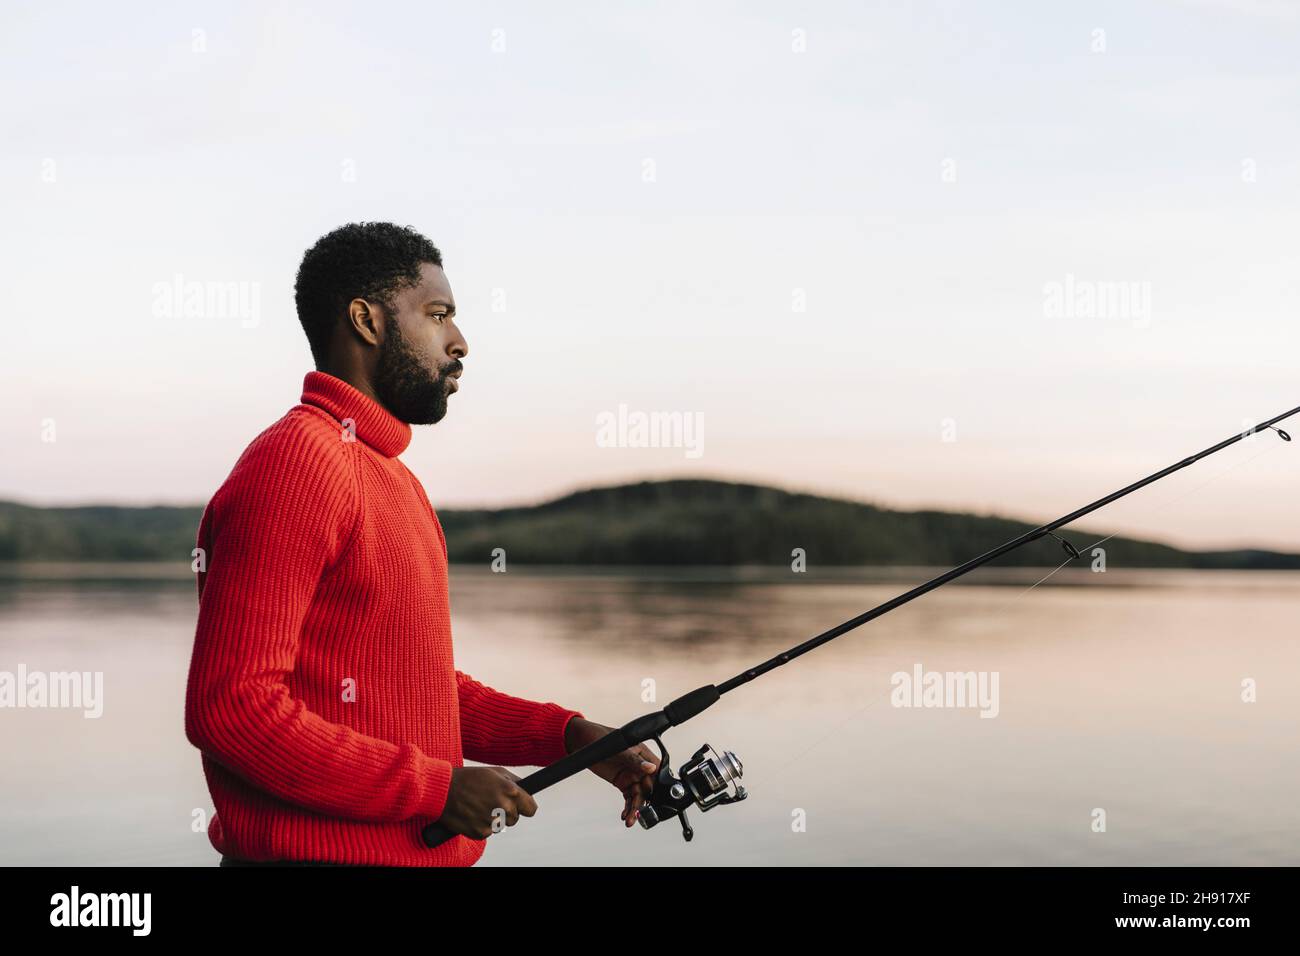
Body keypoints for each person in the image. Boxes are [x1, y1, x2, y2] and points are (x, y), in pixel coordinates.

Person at [185, 221, 659, 866]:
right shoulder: (297, 462)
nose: (460, 343)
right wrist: (435, 787)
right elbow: (232, 710)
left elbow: (415, 689)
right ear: (367, 321)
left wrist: (570, 736)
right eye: (438, 316)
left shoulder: (391, 477)